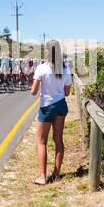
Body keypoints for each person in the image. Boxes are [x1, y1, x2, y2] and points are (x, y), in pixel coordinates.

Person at [31, 40, 71, 185]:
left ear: (47, 52)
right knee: (58, 139)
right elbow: (67, 92)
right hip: (61, 106)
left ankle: (42, 177)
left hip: (47, 107)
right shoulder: (65, 69)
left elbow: (33, 92)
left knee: (42, 142)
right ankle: (56, 173)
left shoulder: (41, 68)